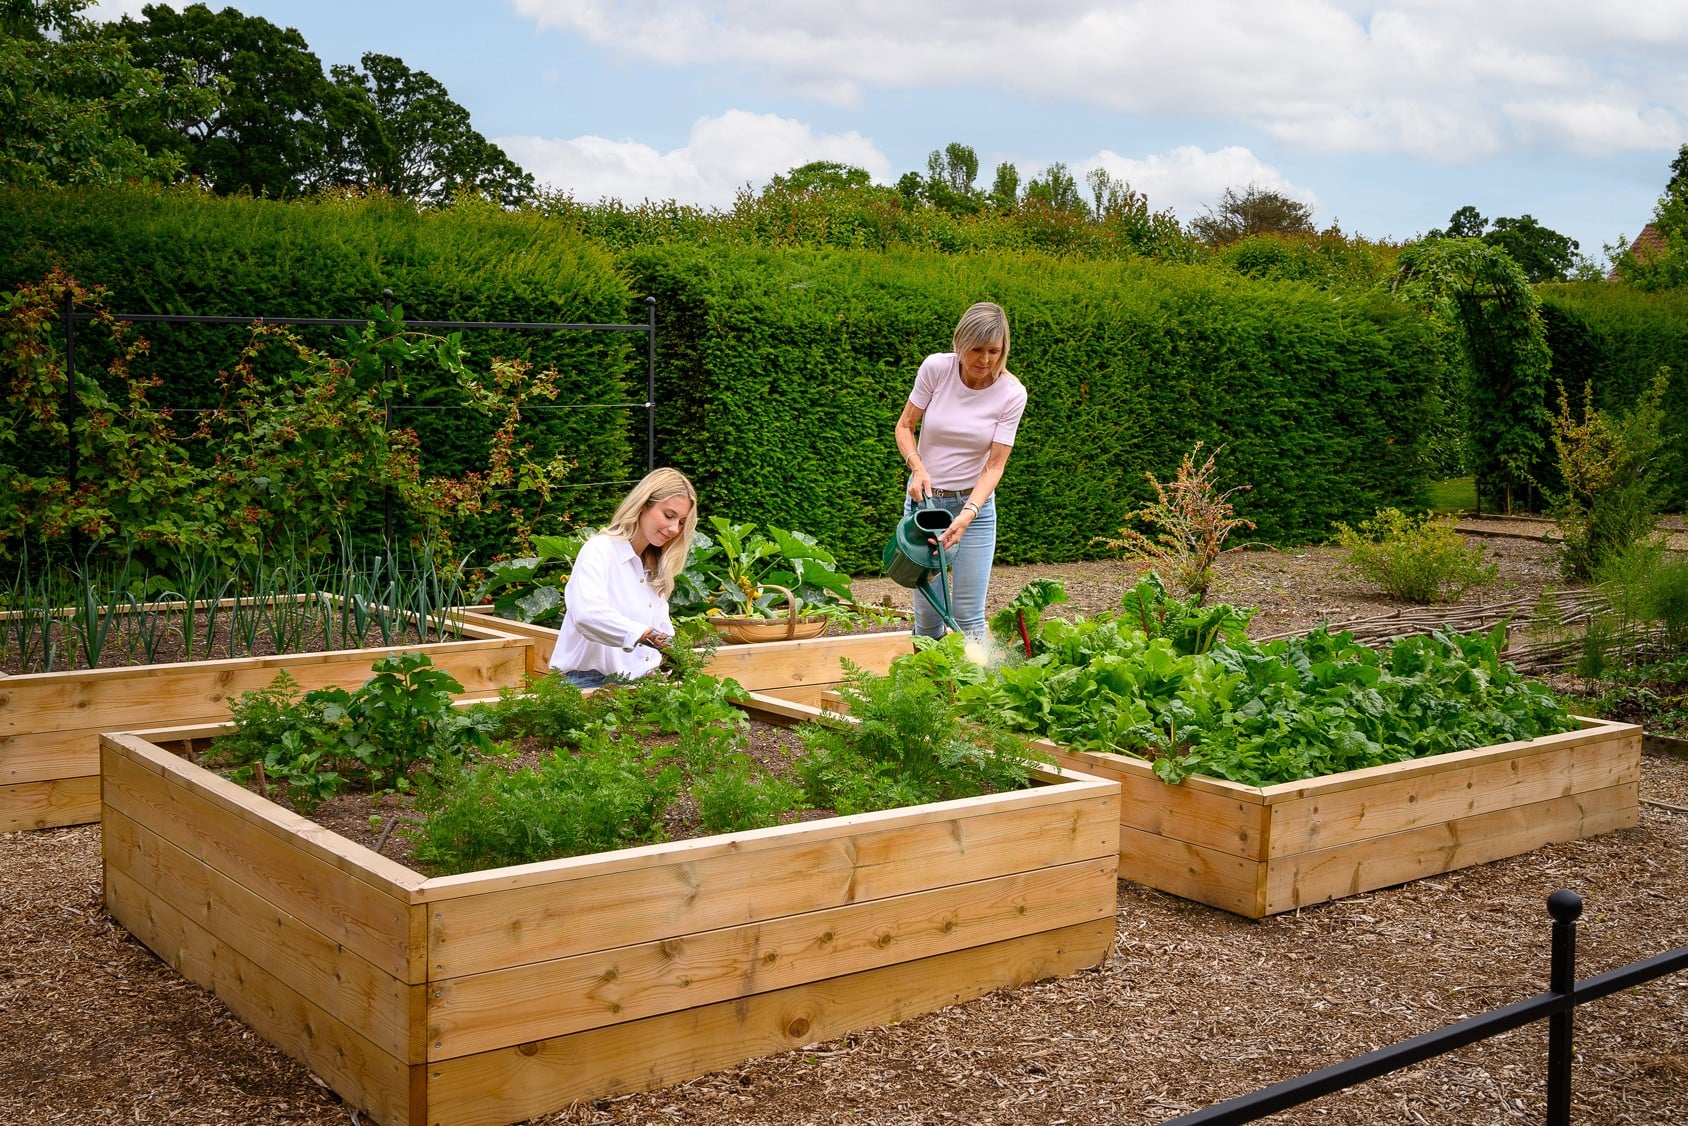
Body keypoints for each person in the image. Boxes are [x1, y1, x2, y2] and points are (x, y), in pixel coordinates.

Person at [893, 301, 1027, 640]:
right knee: (928, 620)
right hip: (926, 509)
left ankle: (978, 691)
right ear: (960, 342)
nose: (984, 360)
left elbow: (995, 465)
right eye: (976, 349)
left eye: (994, 351)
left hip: (975, 512)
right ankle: (928, 692)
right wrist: (918, 467)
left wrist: (968, 514)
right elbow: (905, 426)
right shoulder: (936, 369)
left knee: (969, 619)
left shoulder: (1011, 393)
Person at [548, 467, 698, 687]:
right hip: (586, 685)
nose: (675, 528)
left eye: (682, 522)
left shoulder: (655, 568)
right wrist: (647, 635)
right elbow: (588, 616)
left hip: (637, 685)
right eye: (669, 515)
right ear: (643, 505)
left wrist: (665, 662)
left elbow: (663, 633)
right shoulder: (600, 550)